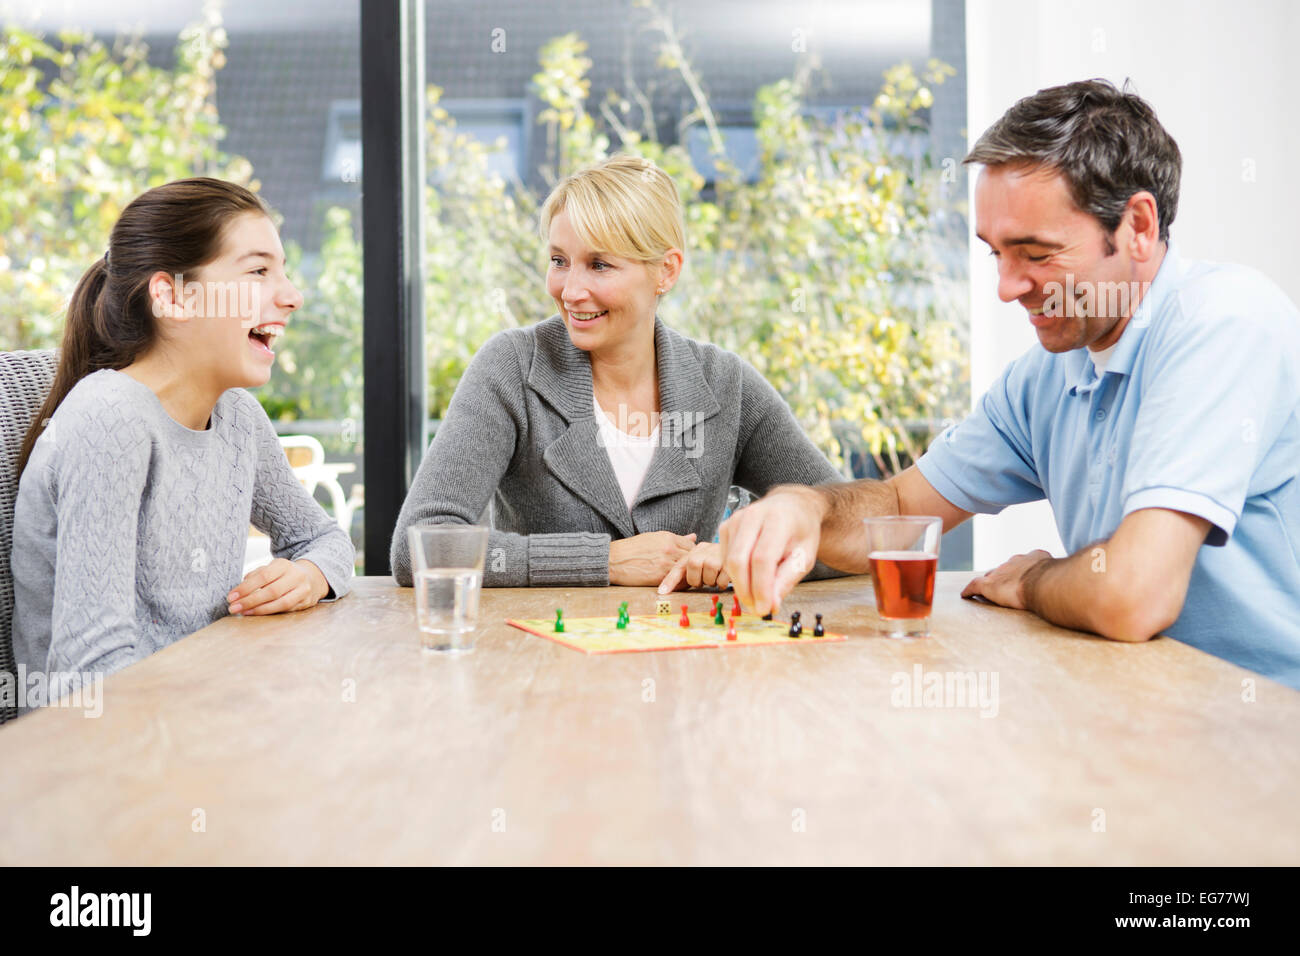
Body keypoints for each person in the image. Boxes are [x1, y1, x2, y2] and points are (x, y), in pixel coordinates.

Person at [717, 79, 1300, 690]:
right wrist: (807, 508)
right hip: (1145, 703)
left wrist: (1031, 581)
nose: (1007, 286)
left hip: (1265, 730)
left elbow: (1134, 596)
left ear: (1138, 226)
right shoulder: (1047, 376)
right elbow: (898, 509)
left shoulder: (1224, 322)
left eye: (1036, 253)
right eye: (996, 253)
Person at [390, 155, 844, 589]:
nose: (570, 290)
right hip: (539, 661)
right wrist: (603, 560)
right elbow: (420, 546)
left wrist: (743, 556)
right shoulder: (511, 367)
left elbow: (848, 534)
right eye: (558, 261)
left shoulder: (725, 385)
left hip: (678, 662)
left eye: (599, 265)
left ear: (666, 270)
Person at [10, 178, 354, 708]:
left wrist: (309, 576)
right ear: (172, 295)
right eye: (259, 271)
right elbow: (91, 677)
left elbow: (325, 540)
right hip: (100, 756)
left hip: (195, 718)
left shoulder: (236, 415)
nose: (292, 296)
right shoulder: (110, 418)